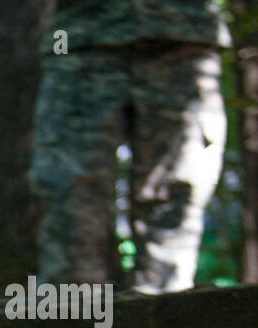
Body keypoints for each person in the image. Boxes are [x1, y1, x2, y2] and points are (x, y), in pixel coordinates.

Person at [29, 0, 230, 292]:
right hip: (74, 39)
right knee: (68, 187)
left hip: (185, 35)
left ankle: (168, 319)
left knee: (178, 188)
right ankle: (71, 322)